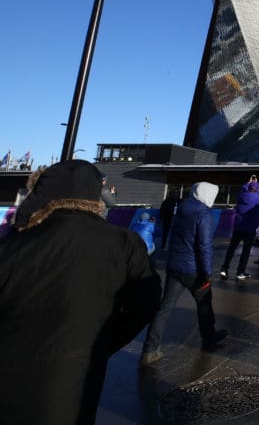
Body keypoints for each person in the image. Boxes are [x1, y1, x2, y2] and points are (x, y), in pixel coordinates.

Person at [0, 160, 162, 424]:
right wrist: (100, 344)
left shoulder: (14, 243)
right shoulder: (124, 243)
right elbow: (147, 300)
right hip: (72, 386)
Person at [141, 182, 228, 364]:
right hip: (193, 268)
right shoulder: (204, 214)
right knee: (204, 301)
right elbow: (204, 245)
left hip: (175, 266)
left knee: (165, 307)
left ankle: (149, 349)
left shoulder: (182, 209)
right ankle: (209, 335)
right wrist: (207, 271)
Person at [220, 176, 259, 280]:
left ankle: (224, 268)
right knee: (245, 251)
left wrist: (247, 183)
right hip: (250, 229)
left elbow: (242, 189)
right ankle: (240, 272)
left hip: (238, 227)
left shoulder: (241, 195)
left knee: (232, 248)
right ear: (257, 188)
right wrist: (256, 185)